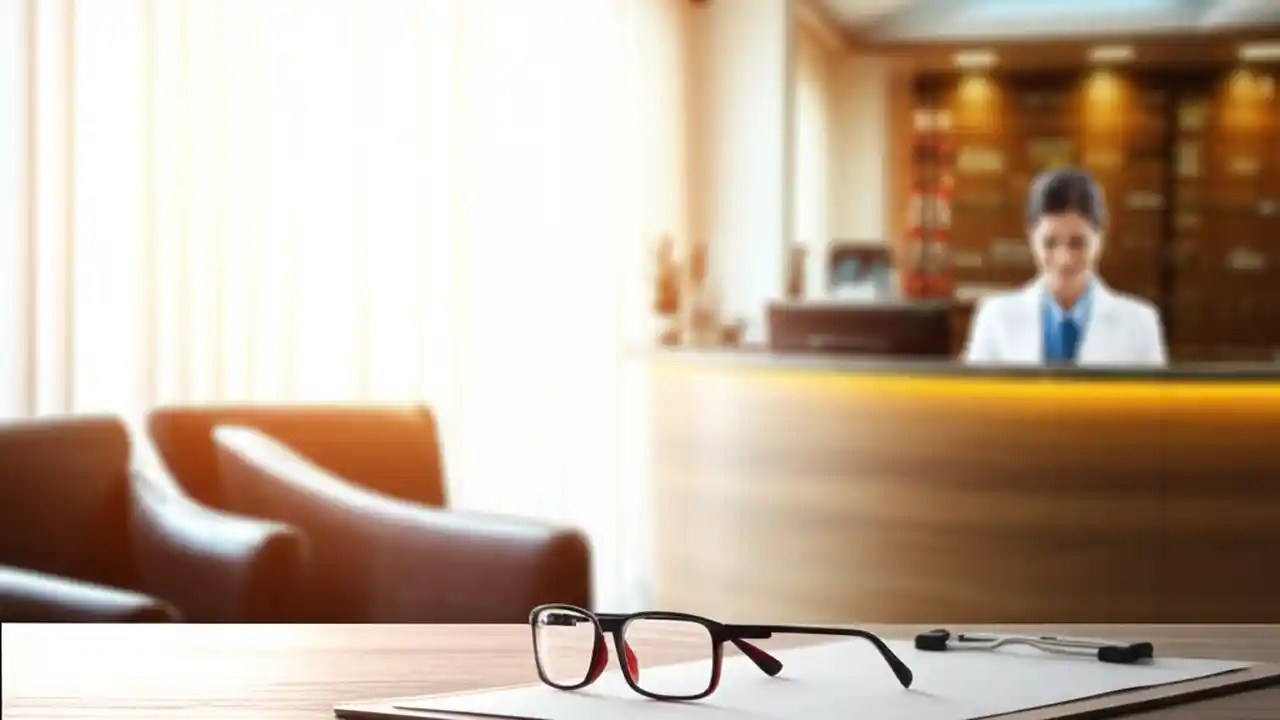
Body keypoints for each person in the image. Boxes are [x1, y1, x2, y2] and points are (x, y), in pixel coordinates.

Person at [963, 169, 1167, 367]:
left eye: (1078, 243)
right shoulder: (995, 317)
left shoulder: (1140, 323)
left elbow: (1153, 402)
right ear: (1031, 238)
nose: (1064, 259)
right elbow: (975, 400)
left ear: (1101, 238)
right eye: (1050, 243)